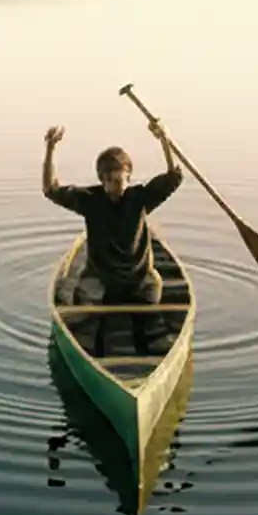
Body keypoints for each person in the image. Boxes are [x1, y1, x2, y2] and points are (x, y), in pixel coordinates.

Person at [42, 120, 183, 355]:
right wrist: (50, 148)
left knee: (150, 304)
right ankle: (96, 344)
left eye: (120, 177)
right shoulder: (91, 200)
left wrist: (164, 140)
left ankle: (145, 342)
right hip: (101, 281)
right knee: (89, 314)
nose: (116, 183)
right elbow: (50, 189)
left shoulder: (140, 198)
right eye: (109, 178)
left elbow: (174, 176)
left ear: (128, 176)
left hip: (138, 281)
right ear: (102, 180)